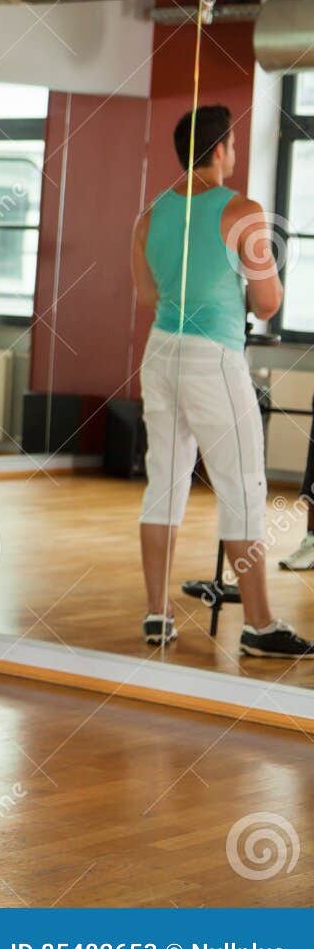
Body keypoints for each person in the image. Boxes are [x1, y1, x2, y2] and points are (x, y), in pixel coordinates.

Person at [133, 105, 314, 657]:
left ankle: (157, 613)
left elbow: (149, 297)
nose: (235, 155)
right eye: (233, 146)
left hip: (160, 354)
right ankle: (259, 624)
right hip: (213, 358)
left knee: (163, 482)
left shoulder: (148, 215)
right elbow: (267, 299)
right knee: (242, 485)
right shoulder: (242, 211)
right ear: (218, 151)